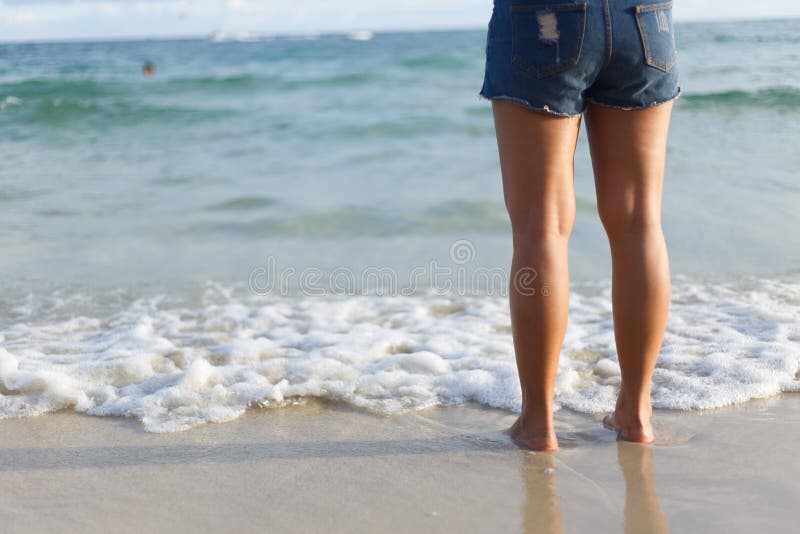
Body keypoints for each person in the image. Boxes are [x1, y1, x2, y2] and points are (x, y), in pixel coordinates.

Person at [480, 0, 680, 451]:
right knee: (640, 221)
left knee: (541, 227)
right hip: (642, 18)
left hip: (543, 17)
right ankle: (636, 413)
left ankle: (537, 423)